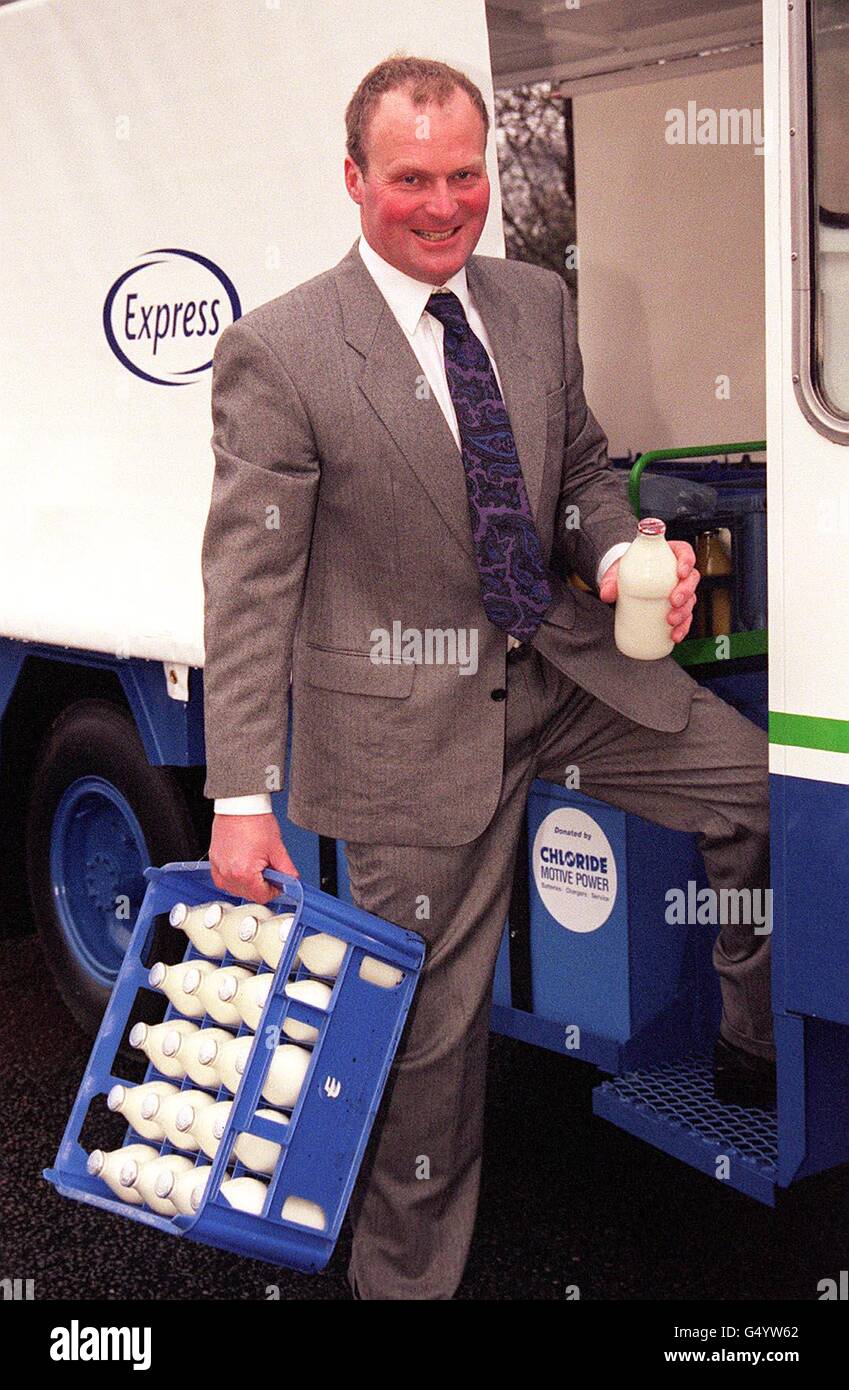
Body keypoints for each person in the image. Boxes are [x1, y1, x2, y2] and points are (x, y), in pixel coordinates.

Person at [201, 56, 774, 1301]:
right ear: (354, 180)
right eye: (413, 178)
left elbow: (575, 473)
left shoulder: (527, 303)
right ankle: (406, 1288)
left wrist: (626, 553)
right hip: (403, 733)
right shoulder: (282, 349)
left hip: (559, 670)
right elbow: (250, 586)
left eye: (466, 174)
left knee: (753, 787)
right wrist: (239, 790)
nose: (445, 203)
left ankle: (748, 1043)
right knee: (434, 1049)